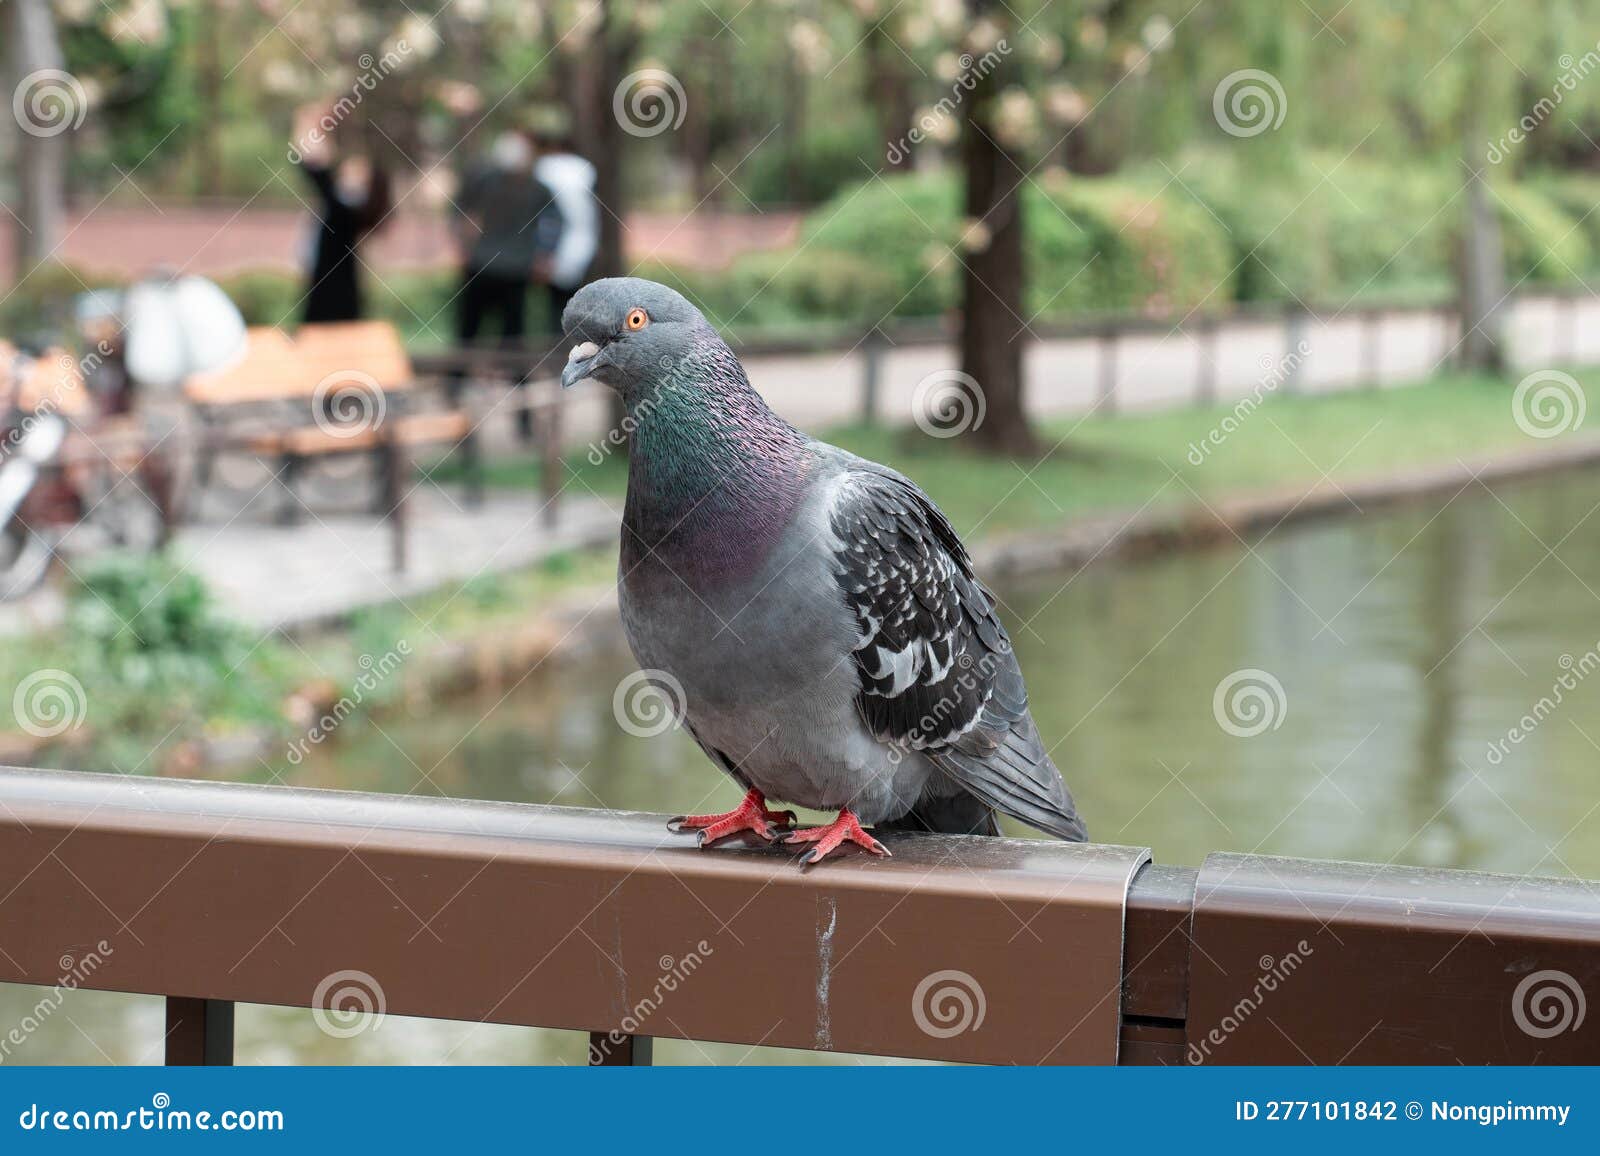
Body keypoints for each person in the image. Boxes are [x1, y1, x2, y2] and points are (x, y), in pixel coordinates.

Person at [292, 103, 392, 324]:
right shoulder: (348, 210)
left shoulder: (343, 210)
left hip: (330, 302)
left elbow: (314, 166)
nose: (347, 169)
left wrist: (310, 123)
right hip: (341, 298)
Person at [532, 130, 599, 334]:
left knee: (557, 308)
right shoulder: (584, 168)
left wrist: (544, 251)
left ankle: (558, 353)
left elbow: (548, 217)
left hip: (556, 248)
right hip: (584, 246)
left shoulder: (543, 169)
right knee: (570, 304)